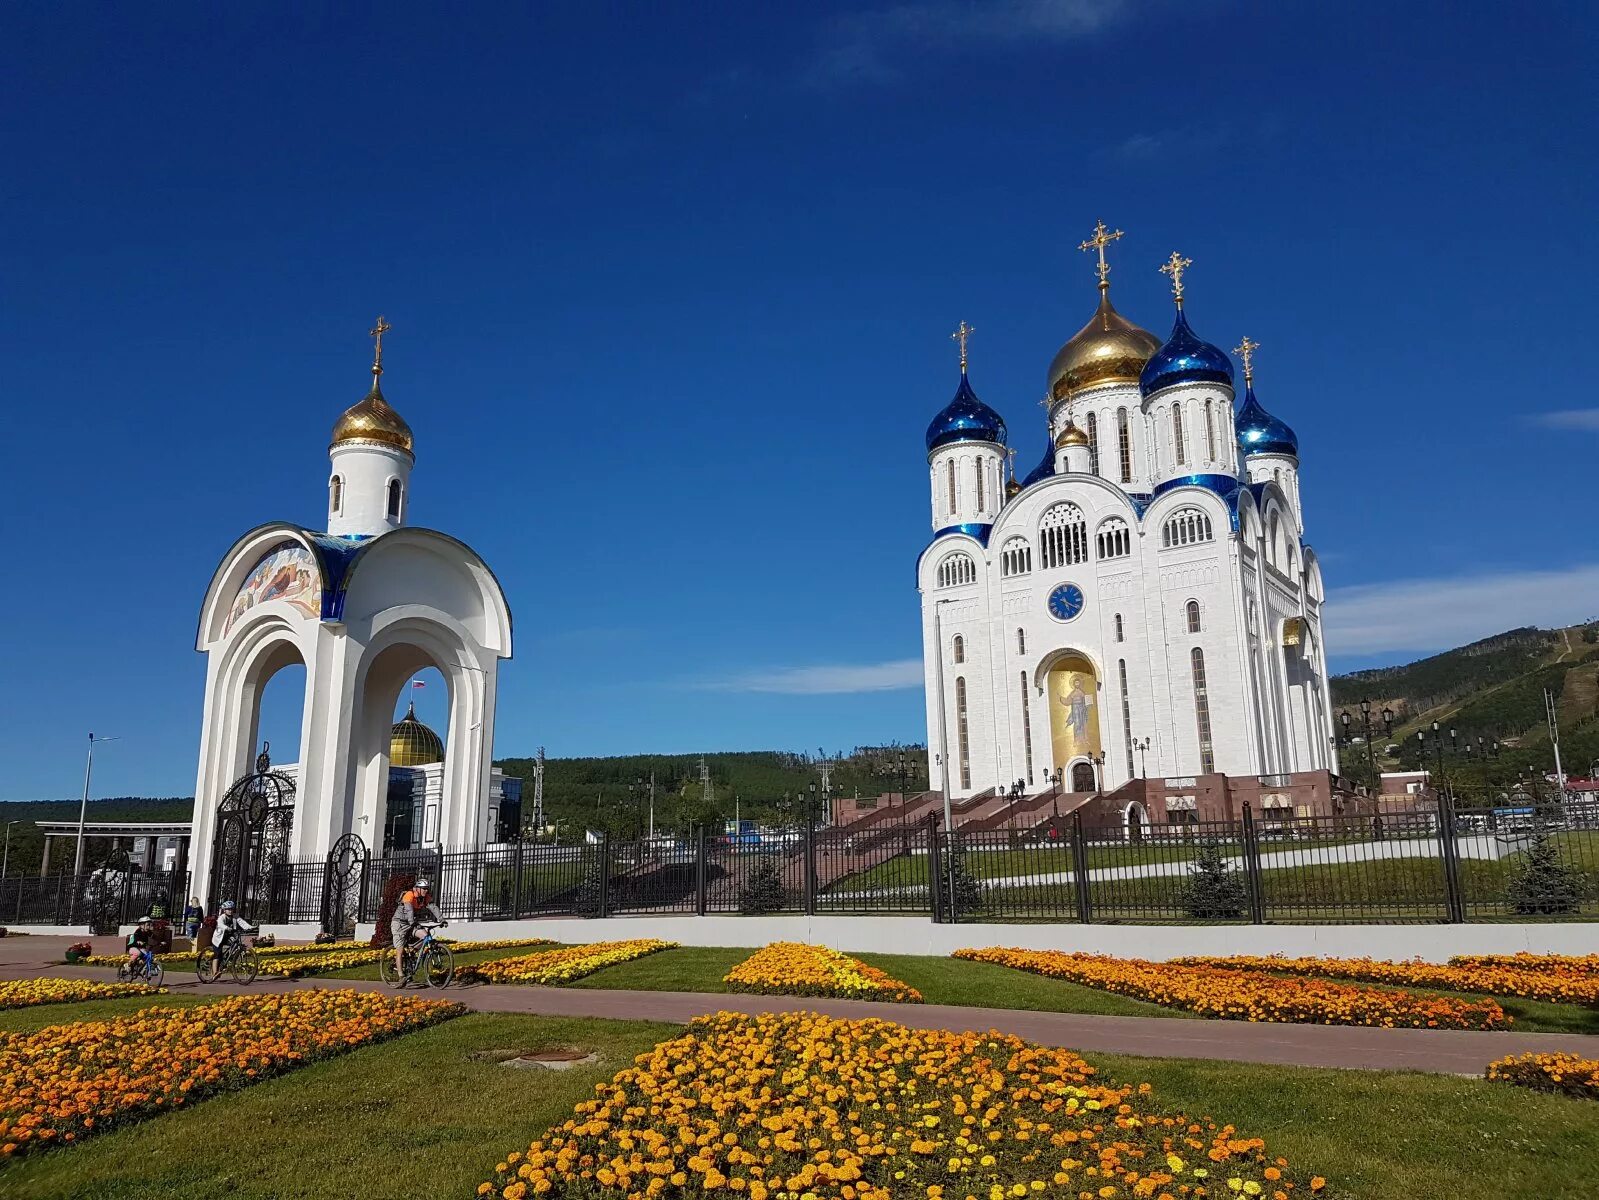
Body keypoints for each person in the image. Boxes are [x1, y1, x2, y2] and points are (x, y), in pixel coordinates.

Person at [390, 877, 445, 983]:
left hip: (411, 923)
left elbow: (433, 907)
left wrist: (442, 920)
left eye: (427, 888)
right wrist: (413, 922)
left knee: (426, 936)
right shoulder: (409, 895)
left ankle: (412, 953)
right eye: (424, 888)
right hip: (399, 924)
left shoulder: (425, 897)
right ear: (418, 888)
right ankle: (401, 976)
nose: (426, 891)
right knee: (400, 950)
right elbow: (409, 910)